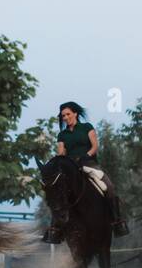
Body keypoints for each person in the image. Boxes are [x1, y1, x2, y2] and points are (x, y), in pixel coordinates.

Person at [42, 101, 129, 243]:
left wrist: (86, 156)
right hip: (71, 169)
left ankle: (117, 222)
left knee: (109, 187)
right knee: (58, 195)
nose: (65, 117)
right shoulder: (62, 135)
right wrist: (60, 161)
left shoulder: (87, 127)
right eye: (63, 115)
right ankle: (55, 230)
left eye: (68, 114)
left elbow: (95, 146)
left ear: (75, 113)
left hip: (89, 164)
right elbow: (61, 152)